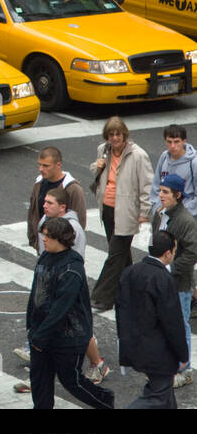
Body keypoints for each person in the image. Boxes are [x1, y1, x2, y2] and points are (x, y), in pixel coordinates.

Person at [26, 217, 115, 409]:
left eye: (47, 236)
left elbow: (61, 308)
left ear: (60, 238)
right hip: (41, 334)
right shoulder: (45, 257)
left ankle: (105, 401)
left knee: (71, 381)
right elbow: (36, 294)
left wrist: (39, 336)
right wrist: (31, 327)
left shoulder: (72, 268)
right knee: (40, 382)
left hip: (68, 337)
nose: (43, 239)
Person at [117, 232, 188, 408]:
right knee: (157, 396)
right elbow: (172, 322)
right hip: (158, 352)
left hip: (133, 344)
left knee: (165, 396)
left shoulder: (129, 272)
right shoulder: (163, 278)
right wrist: (183, 354)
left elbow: (120, 308)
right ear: (167, 253)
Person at [90, 116, 152, 310]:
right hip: (107, 209)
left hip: (127, 212)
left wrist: (144, 213)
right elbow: (97, 173)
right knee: (121, 255)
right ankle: (133, 291)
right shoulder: (103, 150)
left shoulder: (138, 155)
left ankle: (102, 296)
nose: (115, 138)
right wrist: (97, 167)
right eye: (111, 135)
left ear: (125, 135)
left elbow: (147, 186)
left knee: (115, 255)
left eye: (118, 134)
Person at [153, 174, 197, 386]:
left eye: (165, 192)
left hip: (178, 283)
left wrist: (169, 269)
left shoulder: (186, 221)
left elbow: (192, 253)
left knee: (180, 325)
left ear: (177, 195)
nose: (160, 195)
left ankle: (184, 369)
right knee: (163, 324)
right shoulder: (161, 214)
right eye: (160, 190)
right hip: (161, 281)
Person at [26, 146, 88, 250]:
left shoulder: (73, 189)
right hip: (43, 244)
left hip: (62, 247)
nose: (41, 169)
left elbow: (79, 220)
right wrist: (33, 238)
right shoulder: (39, 183)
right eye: (40, 165)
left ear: (58, 165)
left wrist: (66, 245)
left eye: (46, 166)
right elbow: (33, 212)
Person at [152, 125, 197, 216]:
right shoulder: (164, 157)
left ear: (184, 141)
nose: (173, 146)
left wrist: (182, 213)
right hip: (164, 215)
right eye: (169, 142)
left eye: (176, 142)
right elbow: (156, 187)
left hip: (186, 217)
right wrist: (156, 208)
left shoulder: (193, 162)